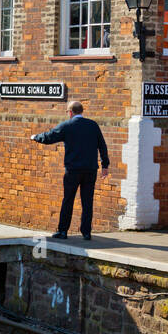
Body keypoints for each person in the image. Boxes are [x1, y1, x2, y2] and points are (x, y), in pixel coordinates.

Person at [31, 100, 110, 241]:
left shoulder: (67, 125)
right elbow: (102, 146)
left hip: (73, 170)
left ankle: (63, 231)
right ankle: (86, 232)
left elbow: (49, 136)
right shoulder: (93, 125)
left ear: (70, 112)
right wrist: (105, 165)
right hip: (90, 169)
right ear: (81, 111)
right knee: (87, 201)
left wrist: (35, 137)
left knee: (68, 200)